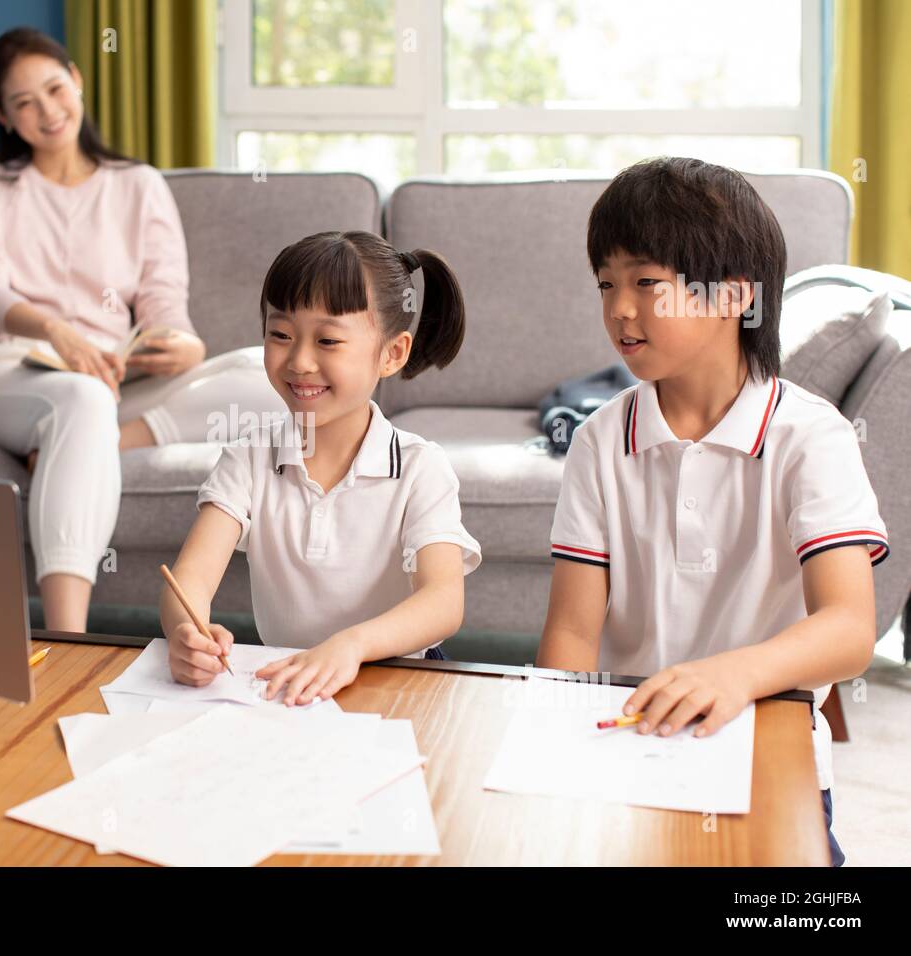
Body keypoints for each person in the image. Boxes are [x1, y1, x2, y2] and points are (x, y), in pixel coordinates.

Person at [537, 157, 888, 866]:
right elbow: (573, 630)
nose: (619, 309)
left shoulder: (810, 438)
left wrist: (730, 675)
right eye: (606, 284)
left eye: (645, 283)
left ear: (733, 297)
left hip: (768, 748)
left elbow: (850, 629)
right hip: (629, 746)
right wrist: (551, 747)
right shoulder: (603, 440)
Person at [0, 28, 284, 631]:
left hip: (115, 377)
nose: (48, 111)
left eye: (55, 89)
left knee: (271, 373)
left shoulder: (137, 185)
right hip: (19, 370)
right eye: (24, 102)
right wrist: (57, 332)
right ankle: (68, 635)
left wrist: (181, 346)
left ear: (77, 80)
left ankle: (104, 436)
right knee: (81, 396)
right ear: (2, 114)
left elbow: (163, 302)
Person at [159, 231, 482, 705]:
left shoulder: (420, 468)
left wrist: (351, 645)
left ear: (392, 353)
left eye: (328, 340)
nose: (299, 360)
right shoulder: (247, 458)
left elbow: (442, 603)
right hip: (290, 687)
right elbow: (190, 577)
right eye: (280, 334)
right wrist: (185, 631)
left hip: (398, 682)